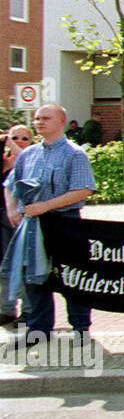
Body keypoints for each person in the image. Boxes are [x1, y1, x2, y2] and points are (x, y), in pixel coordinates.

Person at [3, 104, 96, 345]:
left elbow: (84, 189)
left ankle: (80, 329)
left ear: (61, 121)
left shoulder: (74, 154)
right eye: (36, 118)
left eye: (45, 118)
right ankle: (38, 331)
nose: (39, 122)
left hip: (65, 223)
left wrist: (48, 205)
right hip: (33, 225)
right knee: (34, 277)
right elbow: (11, 185)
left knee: (71, 276)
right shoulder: (28, 154)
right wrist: (12, 208)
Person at [0, 126, 35, 326]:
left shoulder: (31, 157)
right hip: (2, 216)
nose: (19, 140)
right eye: (14, 137)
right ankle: (6, 309)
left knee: (25, 265)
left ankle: (28, 311)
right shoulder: (5, 161)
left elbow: (24, 159)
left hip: (24, 216)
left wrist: (9, 142)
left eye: (24, 138)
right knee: (4, 265)